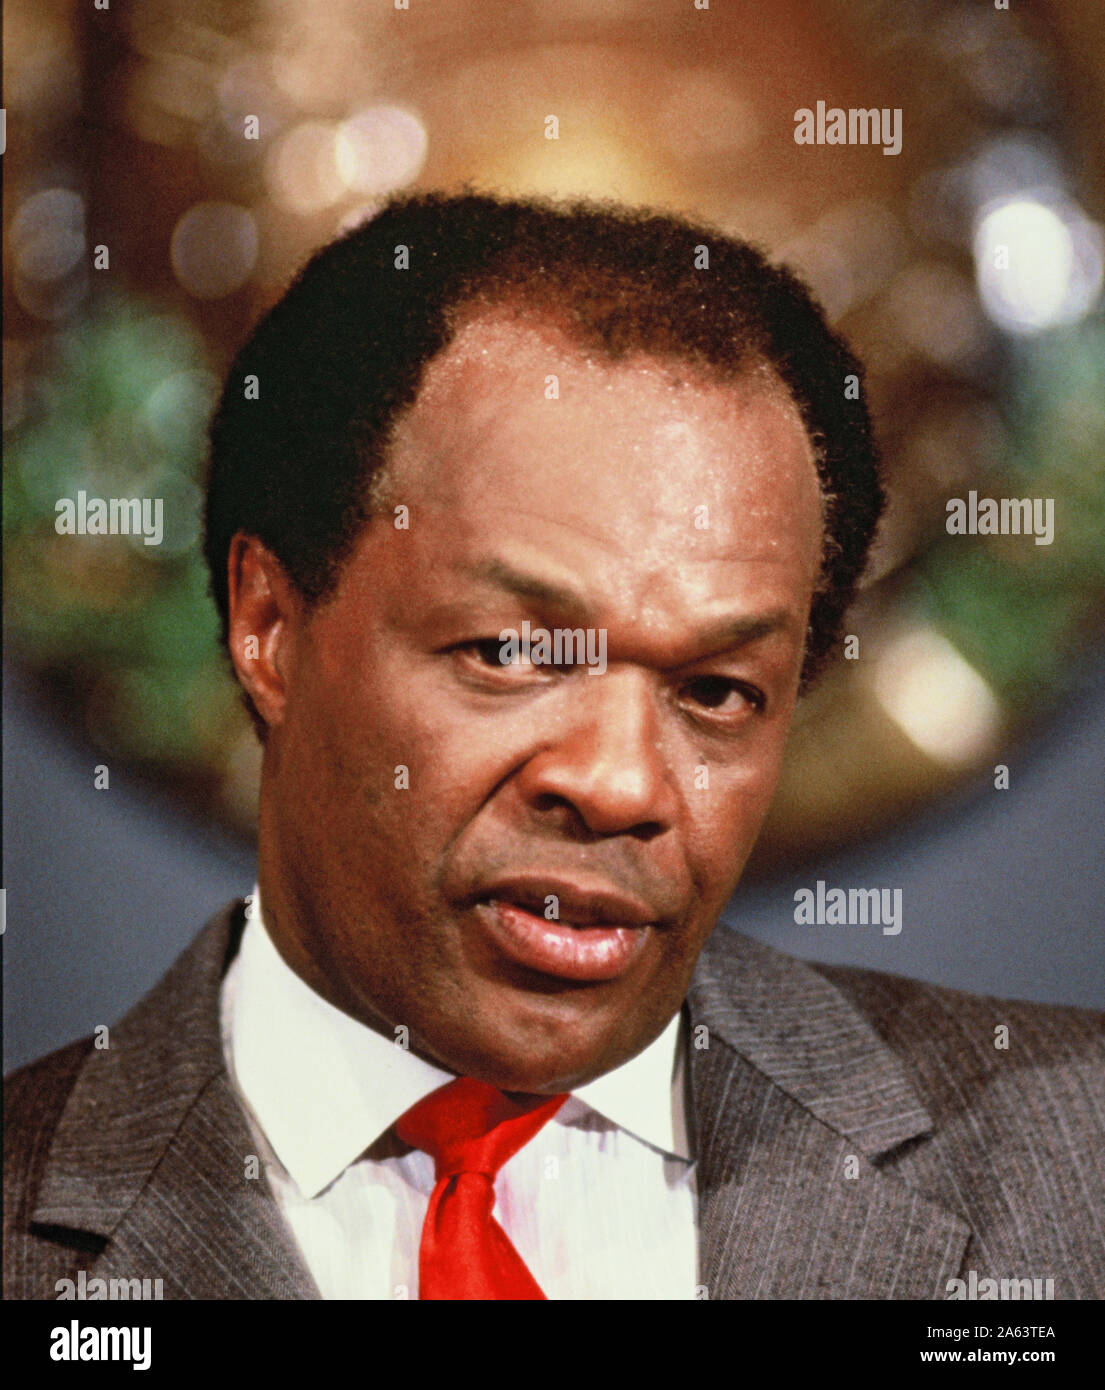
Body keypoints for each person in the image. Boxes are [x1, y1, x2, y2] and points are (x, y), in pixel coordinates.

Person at [5, 192, 1103, 1301]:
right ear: (269, 628)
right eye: (512, 653)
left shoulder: (1077, 1171)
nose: (618, 781)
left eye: (718, 689)